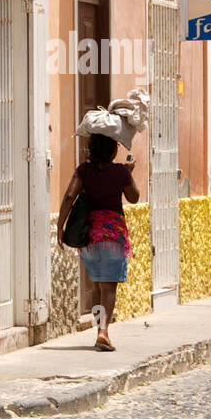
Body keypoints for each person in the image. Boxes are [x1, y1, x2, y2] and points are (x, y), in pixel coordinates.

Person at [57, 133, 139, 352]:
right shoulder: (120, 171)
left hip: (90, 236)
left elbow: (68, 197)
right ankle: (103, 332)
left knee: (96, 284)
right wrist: (128, 175)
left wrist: (59, 227)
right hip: (113, 236)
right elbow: (134, 197)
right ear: (113, 151)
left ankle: (98, 331)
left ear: (91, 149)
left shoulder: (84, 170)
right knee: (108, 287)